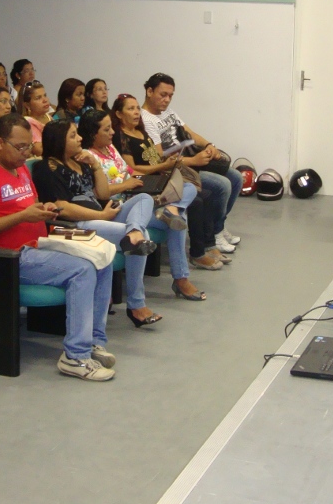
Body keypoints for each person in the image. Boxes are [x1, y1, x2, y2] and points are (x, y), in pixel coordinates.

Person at [0, 113, 116, 381]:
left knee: (103, 255)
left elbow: (28, 204)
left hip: (41, 241)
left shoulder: (19, 167)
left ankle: (93, 340)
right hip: (10, 256)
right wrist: (23, 216)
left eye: (27, 146)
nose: (26, 153)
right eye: (19, 147)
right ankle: (75, 357)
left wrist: (43, 209)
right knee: (82, 270)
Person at [33, 121, 165, 328]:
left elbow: (102, 194)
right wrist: (102, 216)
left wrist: (95, 165)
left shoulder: (81, 161)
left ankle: (134, 232)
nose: (80, 139)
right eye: (73, 135)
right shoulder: (47, 168)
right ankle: (136, 305)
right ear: (58, 141)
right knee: (143, 236)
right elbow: (62, 208)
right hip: (75, 226)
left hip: (100, 215)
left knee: (144, 199)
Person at [79, 110, 205, 301]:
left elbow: (129, 171)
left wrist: (146, 181)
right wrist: (126, 185)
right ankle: (179, 278)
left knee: (187, 190)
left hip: (136, 195)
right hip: (118, 207)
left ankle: (172, 211)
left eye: (111, 127)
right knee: (169, 214)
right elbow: (97, 193)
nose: (113, 132)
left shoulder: (110, 148)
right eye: (107, 129)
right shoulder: (88, 158)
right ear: (92, 133)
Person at [112, 93, 226, 270]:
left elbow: (156, 156)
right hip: (147, 180)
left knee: (198, 191)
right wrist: (163, 165)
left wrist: (170, 160)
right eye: (130, 109)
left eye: (136, 108)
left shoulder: (141, 131)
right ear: (119, 114)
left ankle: (198, 235)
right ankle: (197, 253)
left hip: (161, 174)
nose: (136, 112)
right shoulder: (122, 136)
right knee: (196, 201)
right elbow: (133, 168)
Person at [141, 73, 242, 254]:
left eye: (170, 96)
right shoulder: (146, 120)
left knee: (236, 177)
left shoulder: (169, 113)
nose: (167, 100)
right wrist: (193, 161)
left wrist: (209, 146)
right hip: (175, 169)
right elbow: (160, 157)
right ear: (149, 91)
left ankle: (219, 226)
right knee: (222, 185)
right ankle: (214, 234)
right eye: (163, 94)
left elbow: (190, 134)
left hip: (190, 159)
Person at [20, 80, 52, 157]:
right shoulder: (27, 123)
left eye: (45, 95)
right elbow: (40, 151)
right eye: (38, 98)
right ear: (27, 105)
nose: (45, 100)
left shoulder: (49, 117)